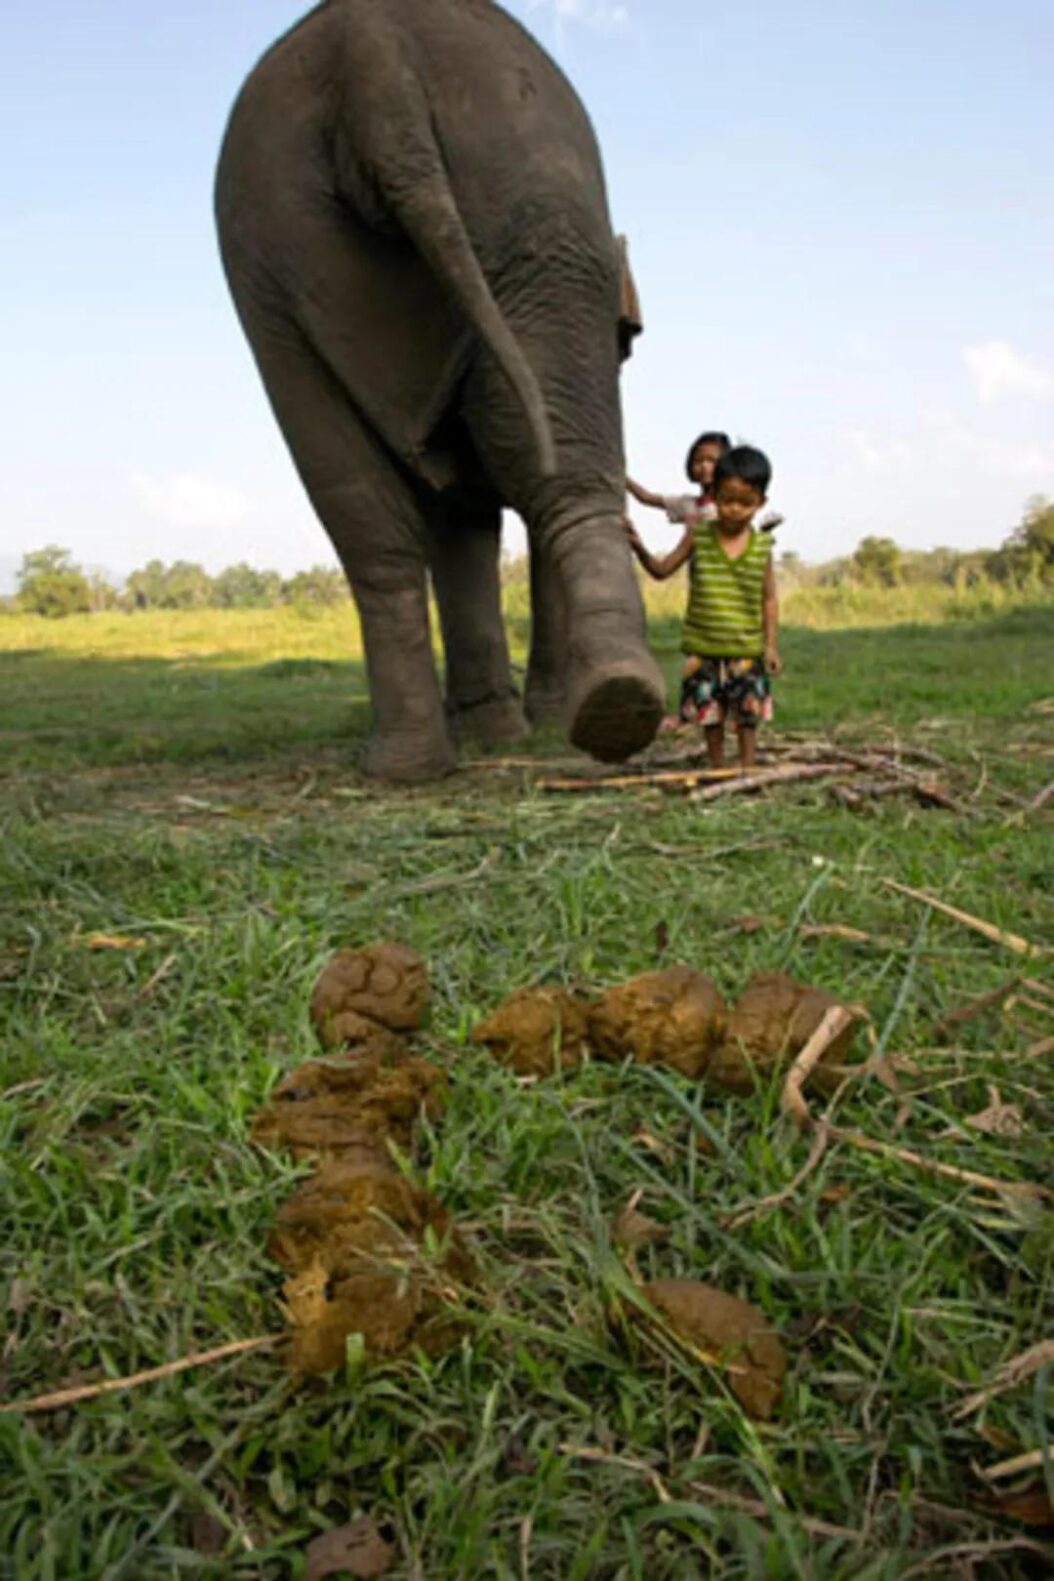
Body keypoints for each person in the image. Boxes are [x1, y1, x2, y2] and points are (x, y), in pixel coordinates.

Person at [626, 444, 781, 770]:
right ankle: (717, 768)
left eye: (746, 503)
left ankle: (747, 769)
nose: (734, 510)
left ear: (761, 503)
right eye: (727, 500)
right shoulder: (698, 536)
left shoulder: (762, 547)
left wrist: (770, 646)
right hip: (703, 648)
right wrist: (638, 546)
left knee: (747, 714)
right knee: (709, 715)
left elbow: (769, 597)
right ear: (714, 496)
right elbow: (662, 570)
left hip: (745, 649)